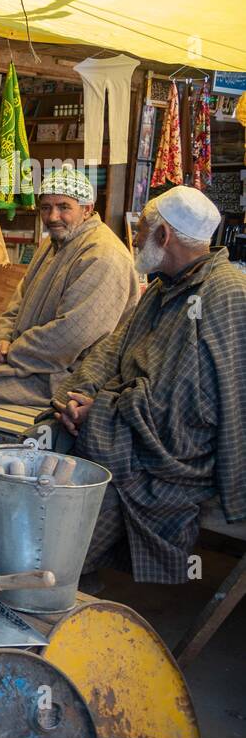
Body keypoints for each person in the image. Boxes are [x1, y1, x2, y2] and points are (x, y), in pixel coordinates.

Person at [55, 187, 245, 585]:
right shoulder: (163, 285)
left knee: (89, 487)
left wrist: (102, 412)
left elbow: (192, 410)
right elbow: (115, 347)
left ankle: (64, 581)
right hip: (127, 420)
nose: (135, 238)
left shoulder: (226, 294)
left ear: (164, 237)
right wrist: (78, 394)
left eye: (142, 229)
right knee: (48, 441)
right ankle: (50, 574)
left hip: (174, 451)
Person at [0, 166, 139, 415]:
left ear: (87, 209)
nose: (52, 217)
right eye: (45, 207)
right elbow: (18, 298)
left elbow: (70, 336)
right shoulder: (53, 243)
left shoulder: (103, 256)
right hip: (32, 363)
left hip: (67, 379)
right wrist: (3, 337)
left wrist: (13, 351)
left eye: (63, 207)